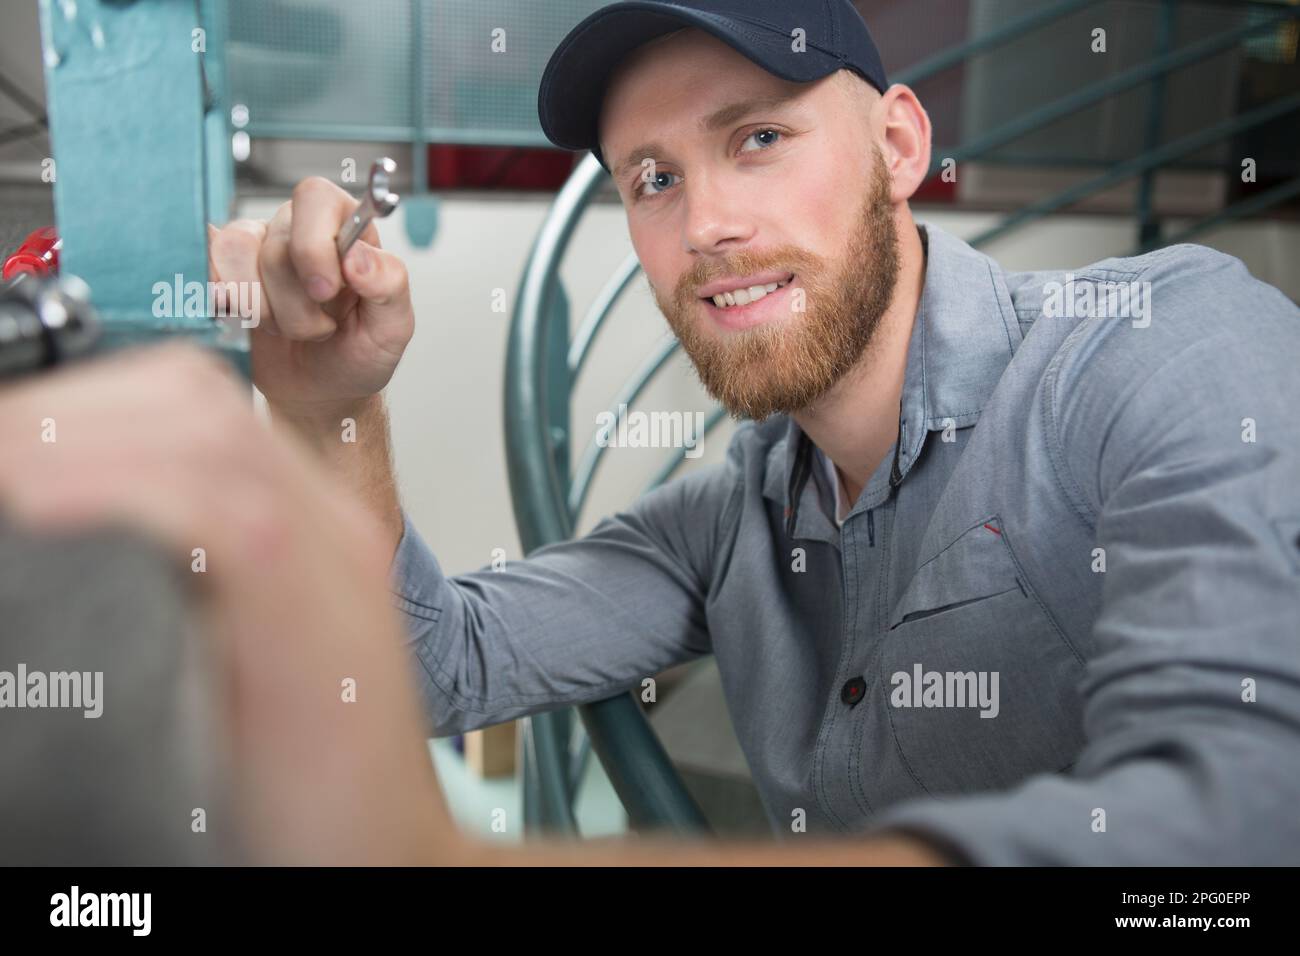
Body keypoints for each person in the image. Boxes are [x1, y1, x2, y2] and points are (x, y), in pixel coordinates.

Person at [4, 0, 1298, 864]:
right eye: (654, 179)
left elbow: (1241, 818)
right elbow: (428, 669)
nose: (708, 227)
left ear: (899, 144)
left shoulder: (1164, 346)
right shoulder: (731, 523)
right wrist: (322, 405)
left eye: (762, 138)